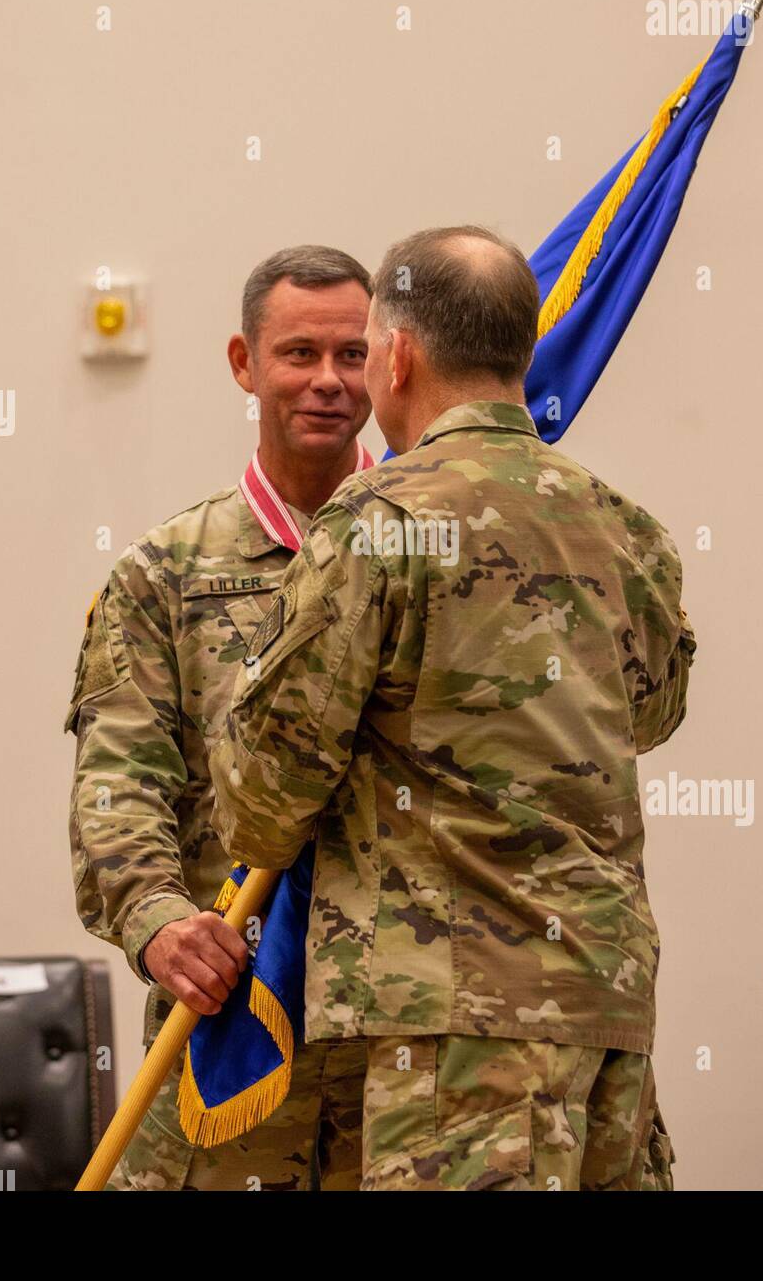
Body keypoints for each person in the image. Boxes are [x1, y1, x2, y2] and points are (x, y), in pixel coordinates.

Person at [210, 225, 696, 1190]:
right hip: (605, 1007)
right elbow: (652, 717)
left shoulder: (379, 520)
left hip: (454, 1024)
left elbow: (266, 799)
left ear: (398, 355)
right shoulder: (625, 526)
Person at [65, 245, 375, 1190]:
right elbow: (119, 785)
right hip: (225, 1023)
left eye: (354, 355)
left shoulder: (431, 560)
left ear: (391, 363)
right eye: (299, 354)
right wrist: (158, 922)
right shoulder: (164, 575)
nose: (327, 380)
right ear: (244, 363)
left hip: (395, 1051)